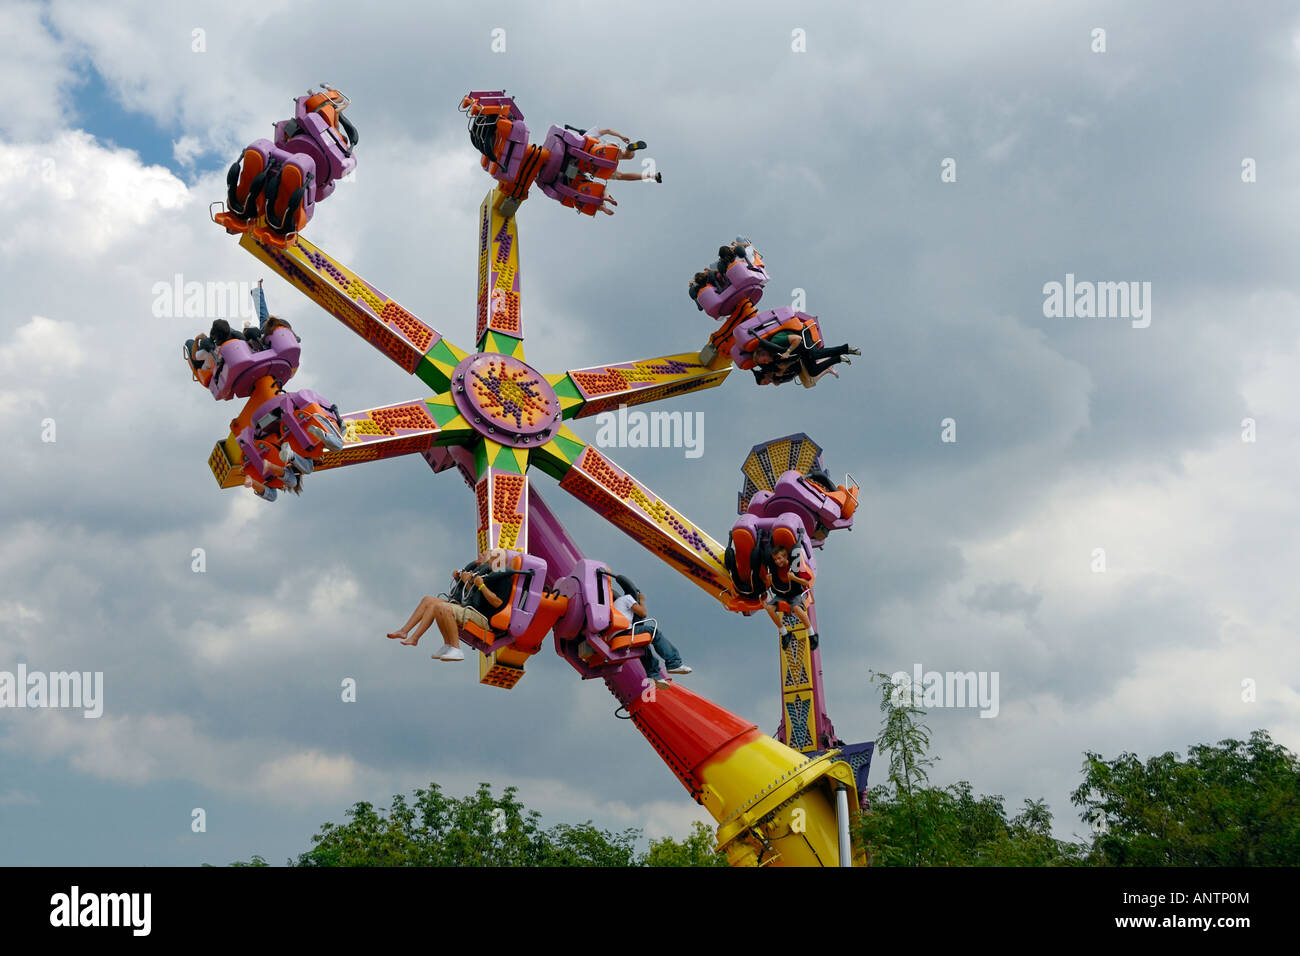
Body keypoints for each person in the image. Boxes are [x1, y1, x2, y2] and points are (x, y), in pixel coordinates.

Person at [386, 550, 514, 662]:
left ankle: (456, 649)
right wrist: (460, 578)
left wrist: (478, 585)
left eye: (486, 554)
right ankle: (409, 634)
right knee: (429, 600)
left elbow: (496, 602)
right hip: (472, 609)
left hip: (484, 618)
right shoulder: (485, 573)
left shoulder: (502, 578)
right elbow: (473, 594)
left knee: (443, 608)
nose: (480, 555)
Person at [611, 573, 690, 689]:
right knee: (653, 632)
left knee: (643, 647)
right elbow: (643, 613)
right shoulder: (627, 599)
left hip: (615, 637)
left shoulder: (615, 604)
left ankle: (654, 676)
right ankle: (674, 663)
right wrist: (641, 600)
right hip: (625, 632)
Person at [762, 544, 818, 650]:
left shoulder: (795, 566)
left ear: (786, 557)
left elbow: (807, 581)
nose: (777, 562)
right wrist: (769, 581)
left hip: (796, 592)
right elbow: (769, 586)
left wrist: (794, 578)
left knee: (796, 608)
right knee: (769, 608)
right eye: (775, 559)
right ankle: (785, 633)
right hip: (782, 594)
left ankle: (812, 635)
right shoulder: (774, 569)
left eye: (779, 558)